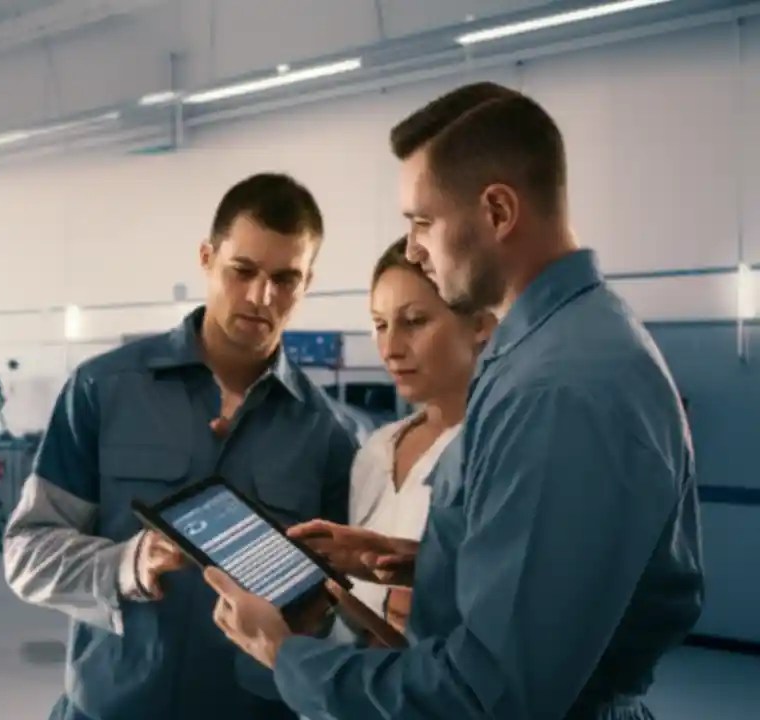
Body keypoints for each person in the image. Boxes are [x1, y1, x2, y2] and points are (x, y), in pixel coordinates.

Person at [204, 81, 705, 719]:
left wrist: (286, 655)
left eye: (421, 222)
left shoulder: (558, 391)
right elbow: (551, 581)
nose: (412, 248)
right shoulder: (552, 347)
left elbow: (487, 697)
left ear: (497, 211)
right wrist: (429, 563)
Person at [2, 172, 361, 720]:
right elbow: (28, 553)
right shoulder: (103, 390)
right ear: (206, 257)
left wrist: (319, 611)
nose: (261, 297)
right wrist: (130, 562)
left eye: (286, 279)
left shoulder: (330, 435)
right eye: (242, 271)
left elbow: (339, 604)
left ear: (308, 282)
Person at [328, 236, 494, 643]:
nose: (389, 348)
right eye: (380, 324)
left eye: (415, 321)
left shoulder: (496, 450)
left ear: (479, 325)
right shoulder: (376, 449)